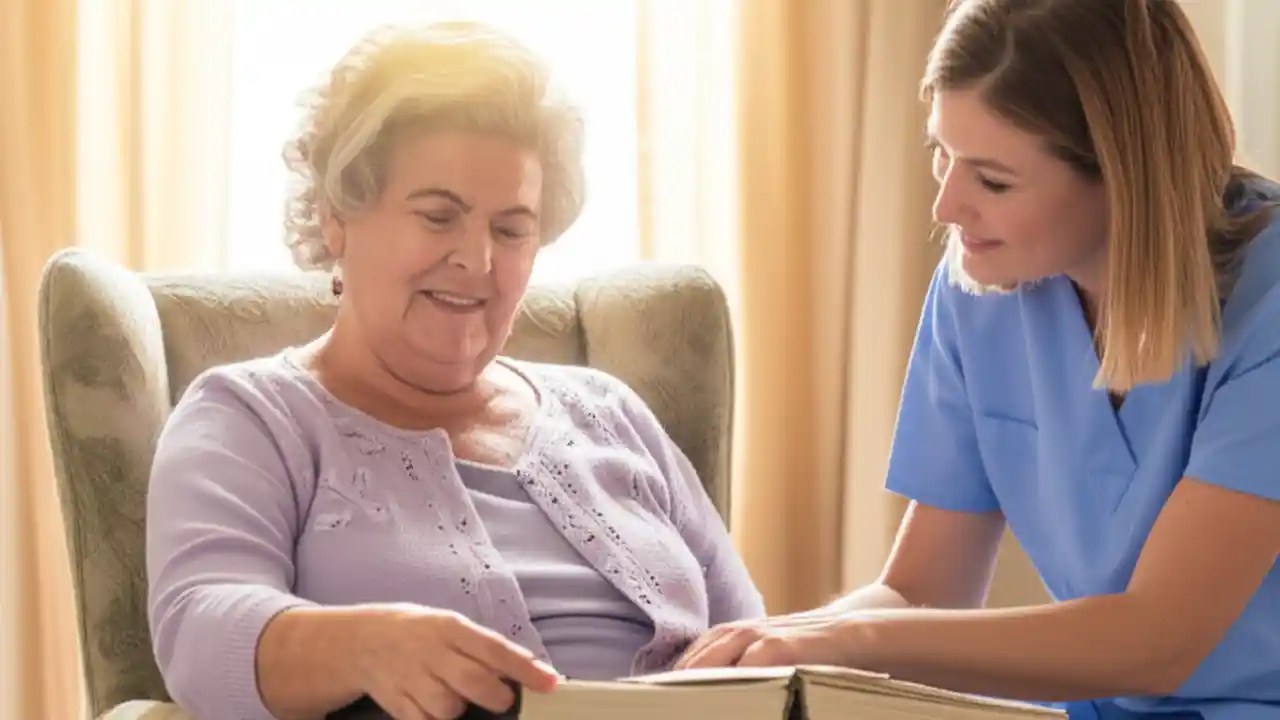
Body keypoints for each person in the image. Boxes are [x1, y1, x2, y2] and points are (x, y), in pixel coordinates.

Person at [677, 1, 1280, 719]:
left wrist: (852, 639)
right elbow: (922, 592)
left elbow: (1158, 640)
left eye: (992, 180)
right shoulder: (982, 286)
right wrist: (785, 645)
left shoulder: (1266, 303)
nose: (946, 206)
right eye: (940, 153)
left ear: (1126, 175)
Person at [145, 22, 764, 720]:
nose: (478, 260)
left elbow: (760, 641)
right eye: (439, 217)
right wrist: (365, 647)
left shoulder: (609, 412)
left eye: (511, 229)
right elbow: (198, 630)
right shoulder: (251, 418)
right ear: (336, 217)